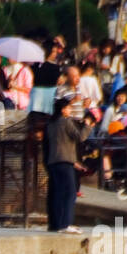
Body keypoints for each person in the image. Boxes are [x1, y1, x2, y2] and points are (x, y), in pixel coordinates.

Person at [44, 97, 91, 233]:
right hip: (64, 163)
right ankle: (66, 224)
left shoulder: (50, 124)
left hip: (54, 162)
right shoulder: (65, 122)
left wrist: (74, 162)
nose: (70, 110)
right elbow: (80, 137)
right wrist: (88, 125)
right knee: (70, 193)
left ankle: (58, 225)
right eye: (69, 107)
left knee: (58, 193)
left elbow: (60, 145)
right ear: (63, 110)